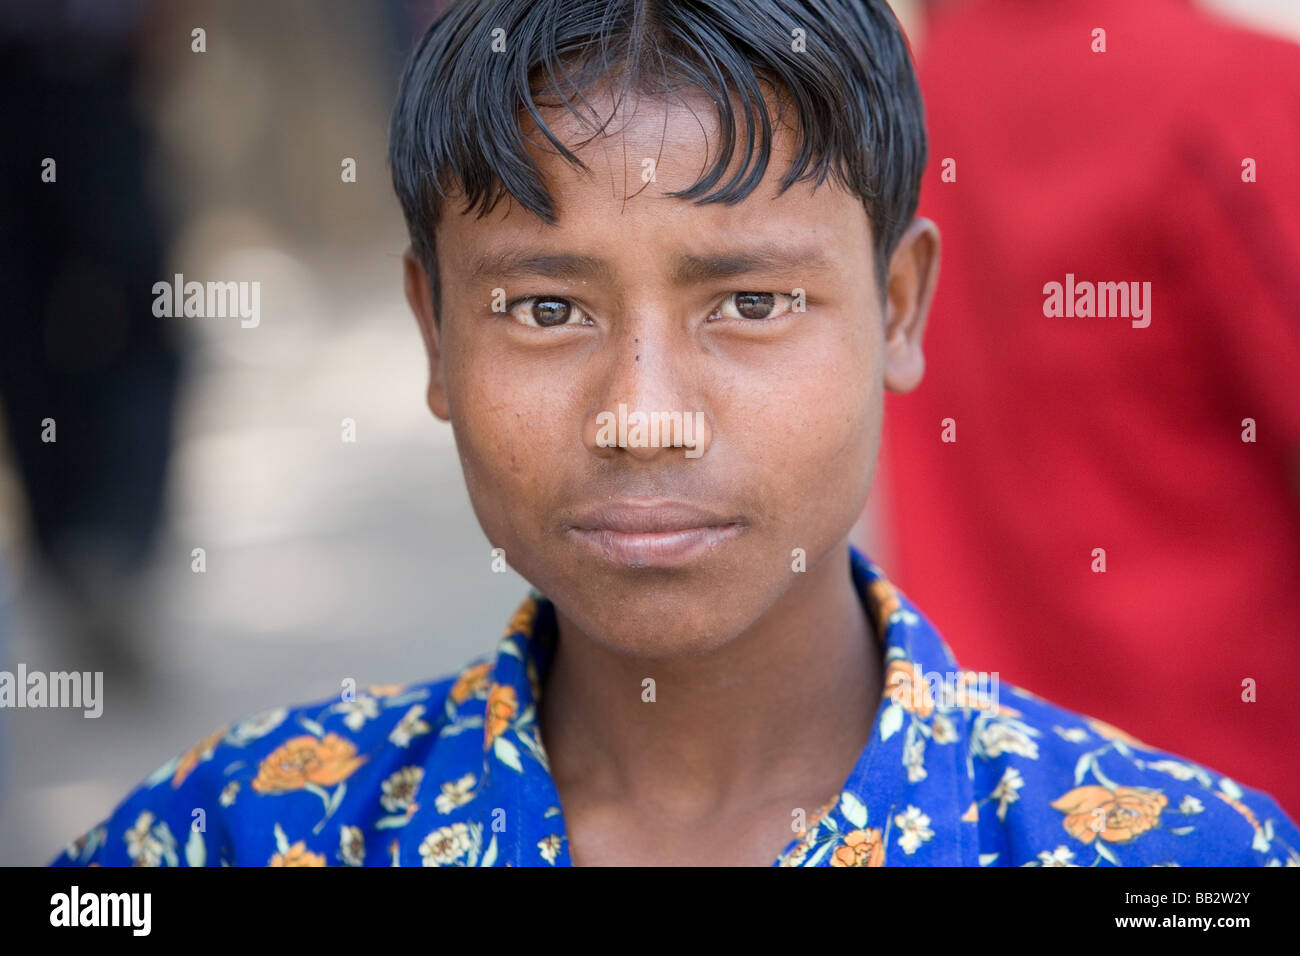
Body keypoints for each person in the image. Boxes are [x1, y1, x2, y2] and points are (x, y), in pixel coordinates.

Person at [51, 0, 1298, 867]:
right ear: (433, 333)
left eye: (750, 303)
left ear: (898, 308)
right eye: (546, 307)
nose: (642, 413)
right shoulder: (239, 830)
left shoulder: (1169, 858)